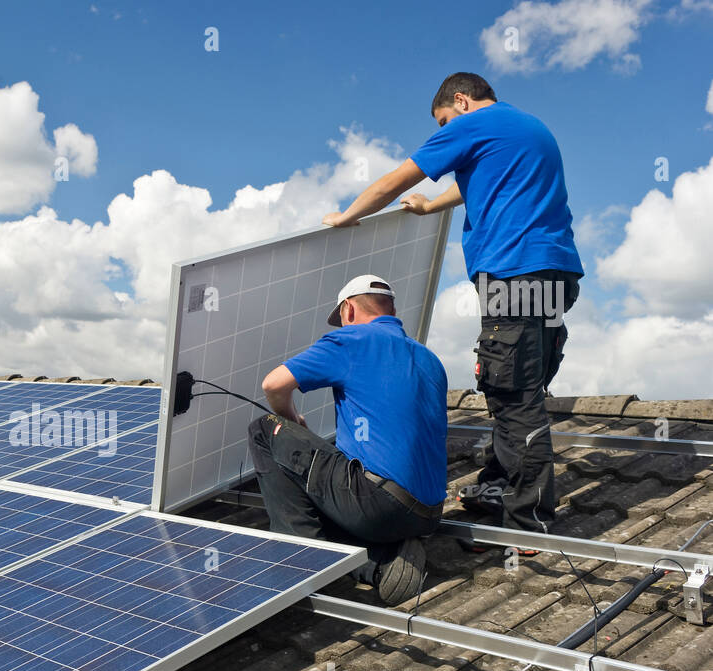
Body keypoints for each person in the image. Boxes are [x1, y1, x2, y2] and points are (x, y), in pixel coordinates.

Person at [321, 72, 582, 537]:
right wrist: (432, 207)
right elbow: (475, 184)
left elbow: (396, 179)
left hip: (514, 277)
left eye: (443, 121)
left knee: (513, 398)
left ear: (461, 101)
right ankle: (498, 487)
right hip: (555, 276)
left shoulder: (472, 124)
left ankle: (529, 527)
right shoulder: (529, 128)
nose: (444, 133)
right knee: (518, 390)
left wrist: (347, 215)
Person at [249, 274, 448, 605]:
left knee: (264, 429)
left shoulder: (351, 339)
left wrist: (291, 420)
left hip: (377, 506)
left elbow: (274, 385)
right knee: (319, 496)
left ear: (350, 310)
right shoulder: (430, 360)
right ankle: (380, 562)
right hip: (426, 514)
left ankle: (300, 556)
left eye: (341, 318)